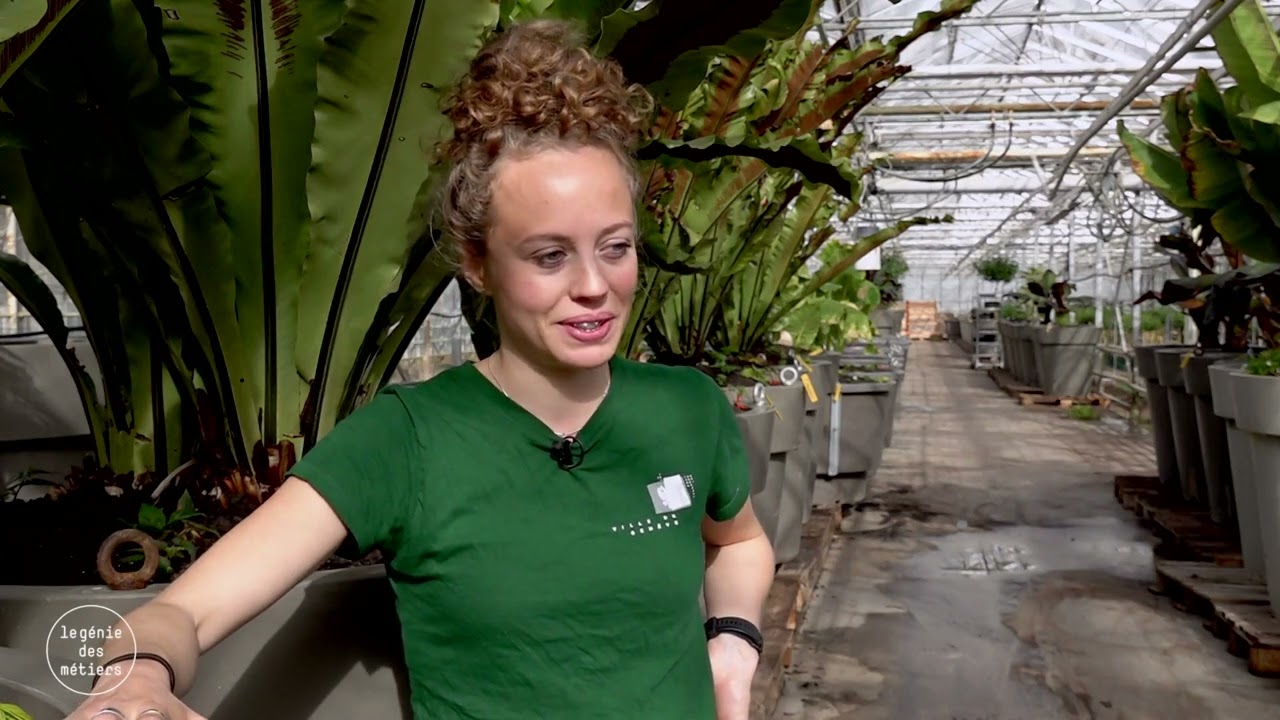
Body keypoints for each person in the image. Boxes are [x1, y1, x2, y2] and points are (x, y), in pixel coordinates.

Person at [67, 19, 774, 720]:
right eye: (549, 256)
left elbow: (737, 539)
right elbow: (181, 612)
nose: (593, 285)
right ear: (477, 262)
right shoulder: (407, 441)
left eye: (615, 248)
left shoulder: (685, 408)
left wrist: (734, 644)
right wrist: (136, 676)